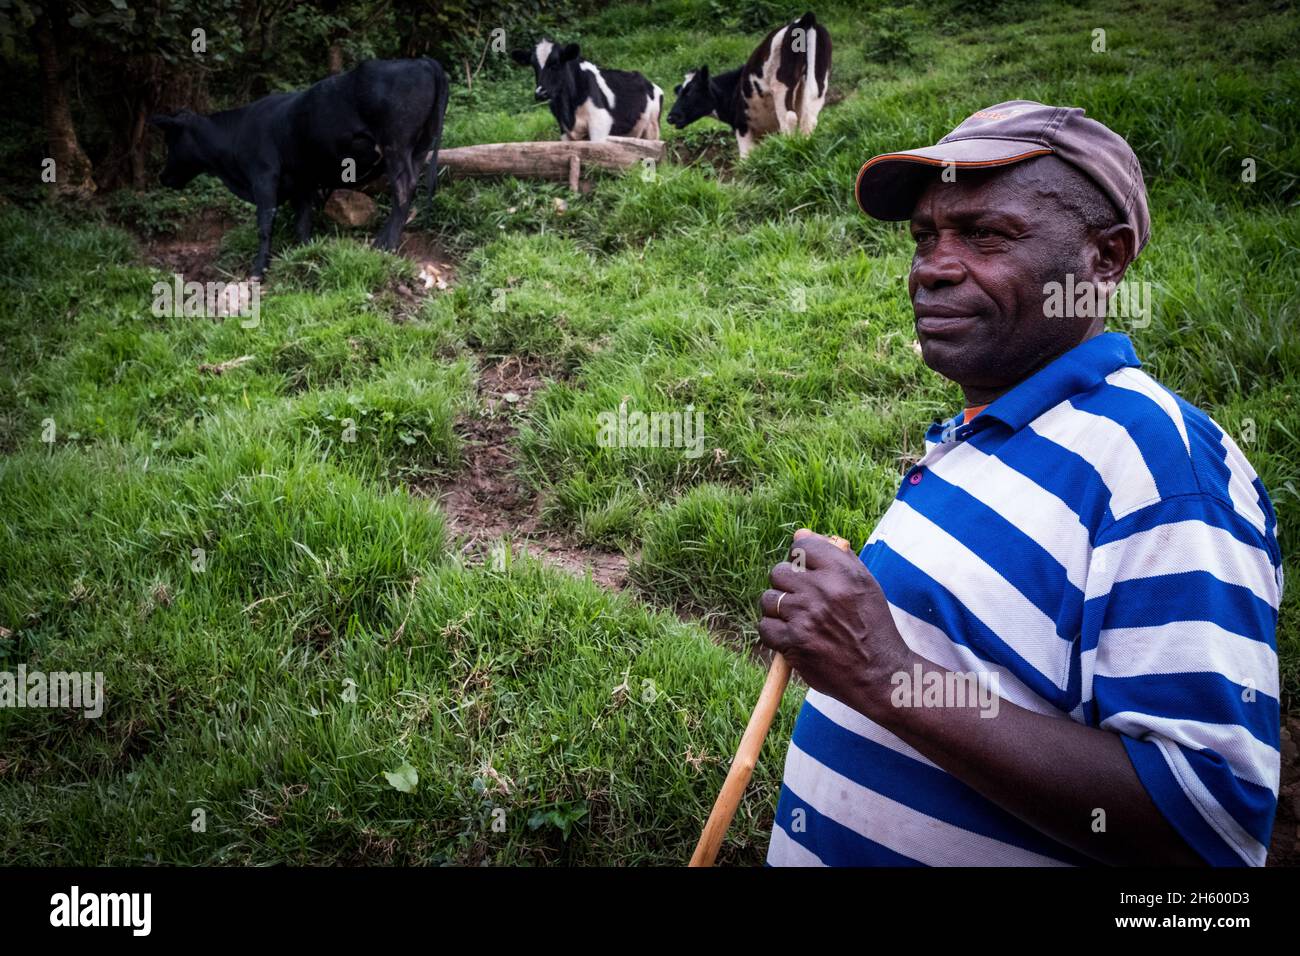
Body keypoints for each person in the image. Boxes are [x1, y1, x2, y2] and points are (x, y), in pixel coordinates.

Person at [760, 101, 1283, 866]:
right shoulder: (984, 432)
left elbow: (1210, 825)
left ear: (1104, 258)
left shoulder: (1161, 469)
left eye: (986, 234)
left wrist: (886, 675)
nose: (934, 266)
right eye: (924, 237)